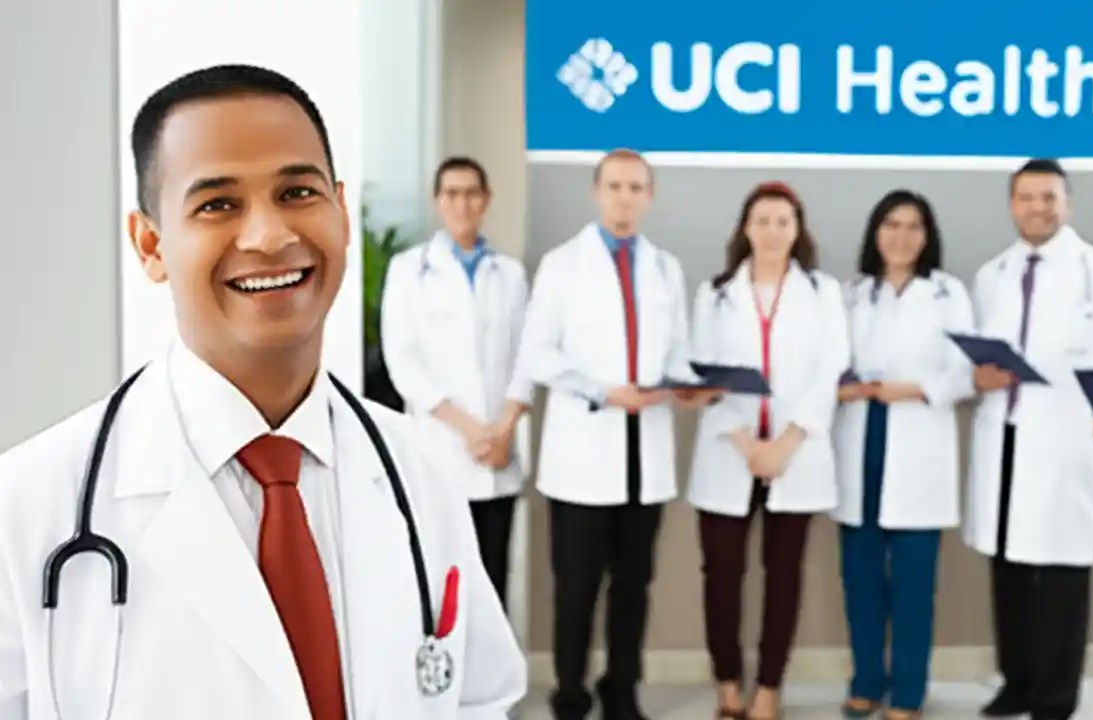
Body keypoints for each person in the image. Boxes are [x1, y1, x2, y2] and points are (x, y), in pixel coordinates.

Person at [0, 64, 525, 719]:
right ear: (151, 242)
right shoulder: (27, 504)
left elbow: (481, 698)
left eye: (298, 193)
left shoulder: (417, 469)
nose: (270, 235)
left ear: (339, 208)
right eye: (217, 204)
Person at [518, 148, 694, 720]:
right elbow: (537, 354)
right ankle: (570, 694)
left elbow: (678, 352)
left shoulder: (666, 267)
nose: (625, 197)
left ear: (650, 196)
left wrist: (688, 385)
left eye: (636, 187)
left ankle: (622, 692)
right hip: (582, 456)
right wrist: (601, 390)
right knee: (576, 590)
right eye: (615, 186)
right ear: (597, 192)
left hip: (646, 453)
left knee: (633, 588)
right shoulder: (563, 264)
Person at [964, 158, 1093, 720]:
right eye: (1026, 197)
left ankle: (1055, 697)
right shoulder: (992, 273)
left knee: (1061, 575)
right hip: (1005, 433)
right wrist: (980, 376)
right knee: (1009, 569)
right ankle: (1016, 681)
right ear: (1011, 204)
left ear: (1067, 204)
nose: (1038, 207)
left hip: (1066, 443)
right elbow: (980, 351)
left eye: (1048, 197)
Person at [684, 182, 847, 720]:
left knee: (785, 574)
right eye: (762, 220)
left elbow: (828, 371)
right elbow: (704, 372)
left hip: (794, 454)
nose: (772, 231)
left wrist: (785, 443)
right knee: (722, 574)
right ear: (745, 228)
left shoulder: (823, 292)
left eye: (783, 221)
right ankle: (728, 683)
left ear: (797, 230)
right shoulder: (715, 292)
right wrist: (744, 441)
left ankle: (770, 687)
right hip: (730, 451)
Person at [833, 190, 974, 720]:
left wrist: (913, 389)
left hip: (918, 445)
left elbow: (965, 373)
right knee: (861, 580)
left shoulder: (948, 294)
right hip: (861, 441)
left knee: (914, 586)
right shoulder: (850, 295)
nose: (901, 236)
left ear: (927, 236)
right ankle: (866, 681)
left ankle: (909, 692)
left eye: (913, 226)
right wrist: (841, 387)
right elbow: (826, 361)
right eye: (891, 224)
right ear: (875, 232)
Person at [381, 155, 532, 608]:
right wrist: (471, 429)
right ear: (437, 201)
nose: (461, 203)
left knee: (493, 580)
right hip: (442, 449)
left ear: (485, 200)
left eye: (471, 193)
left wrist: (501, 429)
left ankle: (496, 682)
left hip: (498, 454)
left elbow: (527, 357)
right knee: (444, 582)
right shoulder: (410, 269)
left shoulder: (510, 274)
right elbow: (403, 361)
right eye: (451, 194)